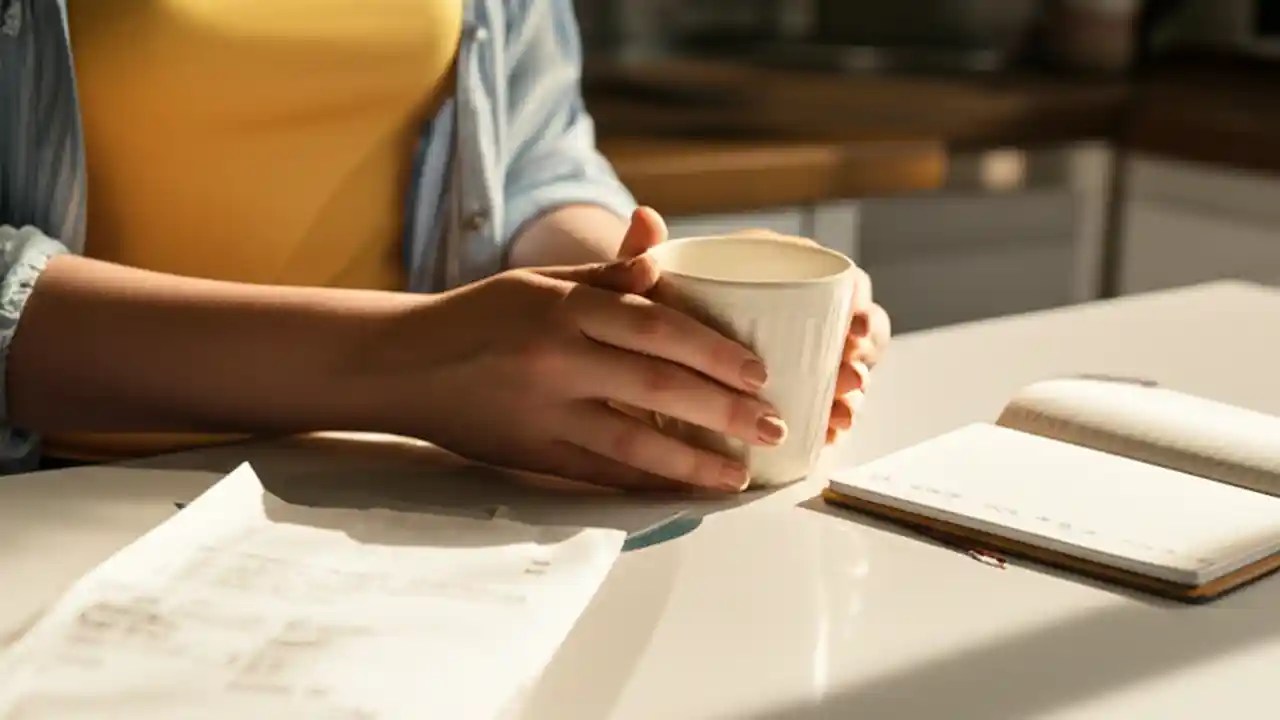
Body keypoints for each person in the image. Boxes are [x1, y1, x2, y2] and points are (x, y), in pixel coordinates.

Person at [0, 0, 889, 490]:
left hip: (405, 494)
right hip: (61, 501)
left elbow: (534, 153)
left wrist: (645, 296)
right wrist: (412, 363)